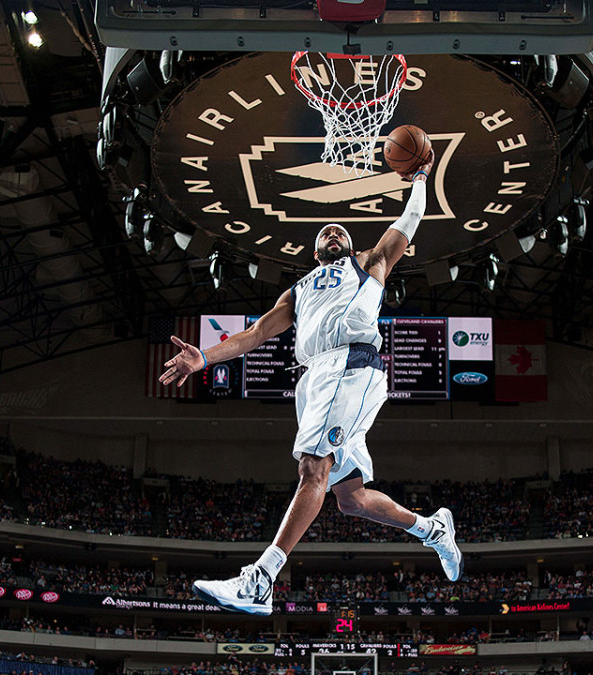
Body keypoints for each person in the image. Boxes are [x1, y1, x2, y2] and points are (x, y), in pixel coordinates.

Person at [159, 153, 460, 615]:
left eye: (340, 231)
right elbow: (255, 334)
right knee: (350, 498)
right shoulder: (298, 291)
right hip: (317, 376)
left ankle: (260, 581)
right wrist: (204, 357)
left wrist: (420, 177)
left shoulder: (371, 262)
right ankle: (432, 528)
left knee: (312, 469)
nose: (334, 232)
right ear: (316, 253)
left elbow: (411, 218)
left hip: (350, 365)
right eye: (326, 234)